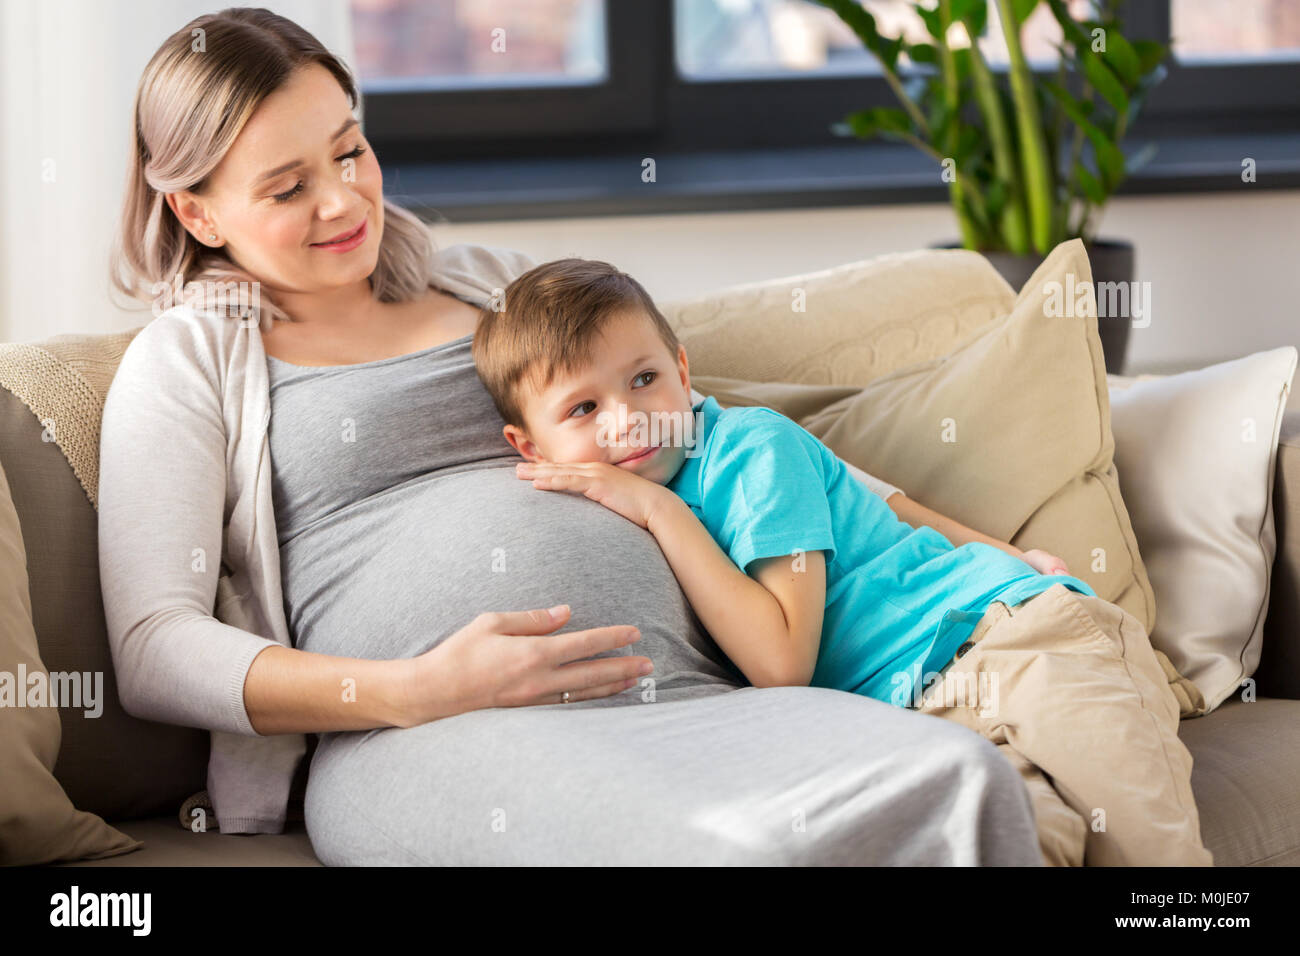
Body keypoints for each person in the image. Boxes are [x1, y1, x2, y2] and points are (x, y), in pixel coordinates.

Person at [100, 7, 1046, 864]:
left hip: (701, 691)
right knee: (729, 850)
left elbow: (723, 441)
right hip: (437, 731)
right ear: (196, 210)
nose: (343, 201)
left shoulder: (495, 285)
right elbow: (154, 645)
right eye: (287, 186)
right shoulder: (187, 364)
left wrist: (988, 546)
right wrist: (410, 689)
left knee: (961, 784)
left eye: (349, 152)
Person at [472, 256, 1215, 867]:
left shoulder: (746, 451)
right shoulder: (630, 494)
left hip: (1019, 642)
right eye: (583, 409)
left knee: (1153, 868)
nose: (629, 418)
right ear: (529, 448)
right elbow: (888, 504)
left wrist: (660, 514)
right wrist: (1011, 549)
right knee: (1022, 844)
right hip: (921, 713)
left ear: (683, 369)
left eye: (644, 380)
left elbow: (781, 662)